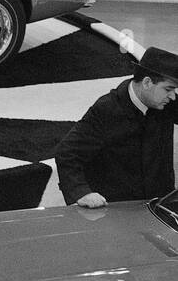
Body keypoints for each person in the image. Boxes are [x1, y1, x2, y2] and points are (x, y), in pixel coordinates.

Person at [55, 48, 178, 207]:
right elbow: (67, 152)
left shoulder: (167, 103)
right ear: (147, 83)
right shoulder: (107, 110)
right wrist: (81, 192)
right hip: (118, 211)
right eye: (169, 89)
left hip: (159, 206)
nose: (173, 96)